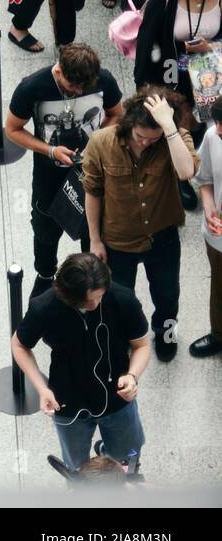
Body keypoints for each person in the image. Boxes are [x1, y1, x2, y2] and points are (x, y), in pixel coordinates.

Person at [83, 88, 199, 360]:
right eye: (140, 136)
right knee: (119, 297)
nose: (146, 142)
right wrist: (94, 239)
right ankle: (124, 335)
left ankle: (165, 333)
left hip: (162, 236)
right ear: (128, 124)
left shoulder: (175, 139)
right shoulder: (101, 142)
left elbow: (185, 172)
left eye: (153, 138)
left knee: (167, 295)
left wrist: (169, 127)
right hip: (118, 238)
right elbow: (93, 190)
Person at [12, 253, 151, 470]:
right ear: (67, 295)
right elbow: (19, 346)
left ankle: (117, 466)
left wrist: (132, 375)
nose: (94, 304)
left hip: (116, 394)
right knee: (77, 467)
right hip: (68, 399)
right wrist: (42, 388)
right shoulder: (45, 306)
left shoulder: (123, 299)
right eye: (87, 301)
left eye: (99, 296)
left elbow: (141, 345)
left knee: (128, 459)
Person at [7, 43, 124, 301]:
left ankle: (88, 279)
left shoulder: (103, 79)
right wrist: (49, 150)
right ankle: (46, 274)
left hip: (91, 173)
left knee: (90, 228)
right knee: (44, 229)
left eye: (85, 88)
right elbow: (12, 129)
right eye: (73, 88)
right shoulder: (32, 87)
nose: (80, 92)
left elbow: (116, 112)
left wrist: (97, 140)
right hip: (49, 175)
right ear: (59, 72)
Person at [135, 0, 222, 134]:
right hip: (170, 72)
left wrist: (211, 47)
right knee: (172, 126)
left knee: (205, 129)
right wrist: (141, 89)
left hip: (208, 74)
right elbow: (145, 44)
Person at [188, 98, 222, 357]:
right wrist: (209, 205)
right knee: (219, 284)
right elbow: (206, 178)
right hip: (218, 235)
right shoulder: (213, 136)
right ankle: (219, 333)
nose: (218, 129)